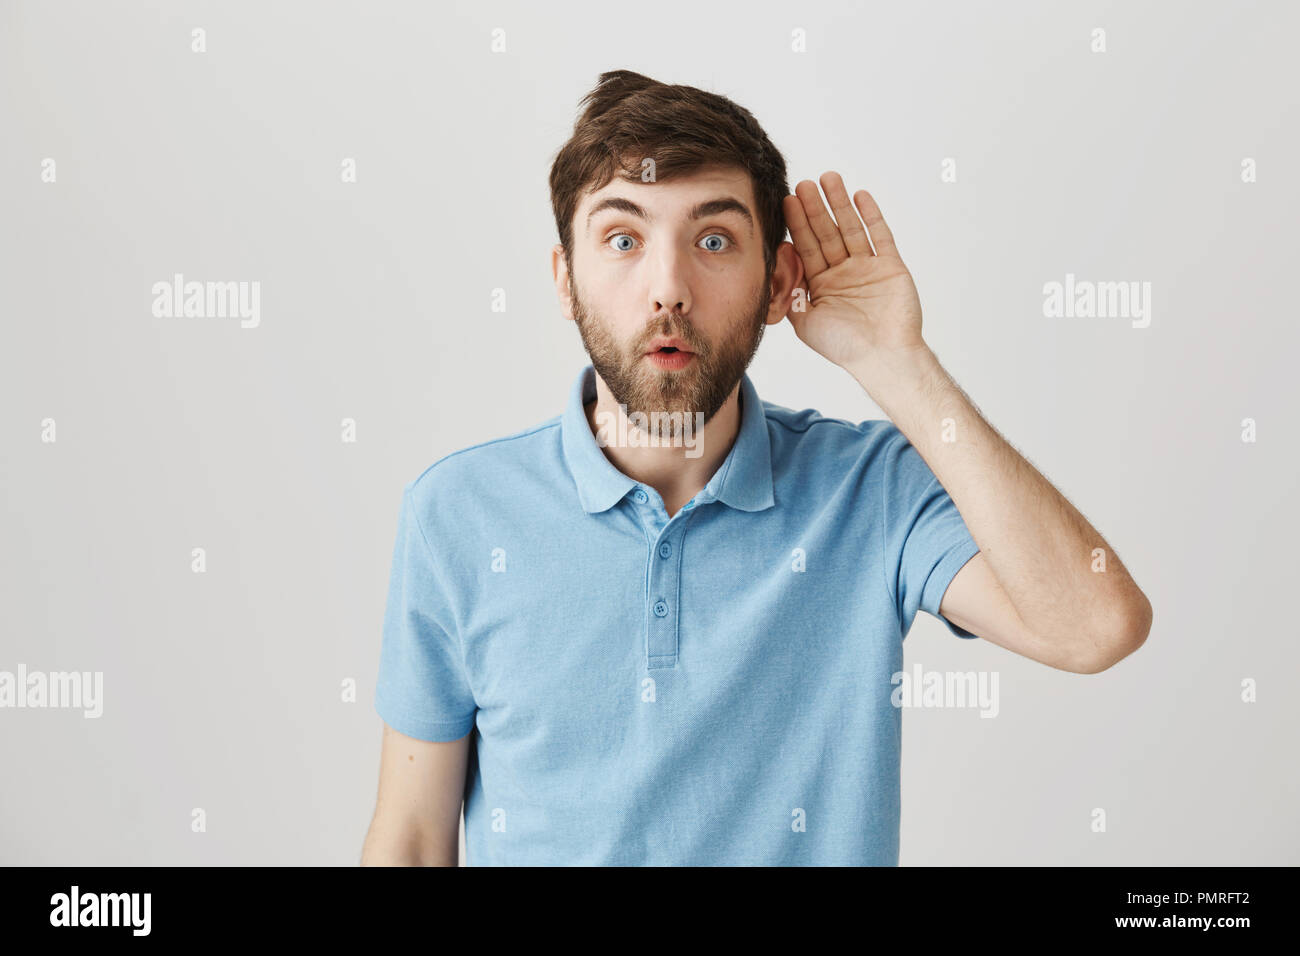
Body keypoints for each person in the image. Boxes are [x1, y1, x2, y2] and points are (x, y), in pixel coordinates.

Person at [360, 70, 1152, 866]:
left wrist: (897, 363)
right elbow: (415, 840)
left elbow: (1095, 628)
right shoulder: (458, 513)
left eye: (712, 241)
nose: (668, 289)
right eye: (623, 239)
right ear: (566, 279)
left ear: (777, 283)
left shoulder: (870, 491)